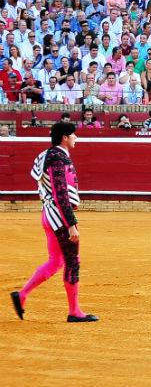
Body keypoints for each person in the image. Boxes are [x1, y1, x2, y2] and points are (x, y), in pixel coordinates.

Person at [11, 121, 98, 323]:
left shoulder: (47, 155)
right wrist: (71, 224)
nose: (76, 138)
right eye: (73, 135)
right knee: (72, 262)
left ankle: (22, 295)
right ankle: (74, 311)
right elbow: (61, 194)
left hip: (48, 214)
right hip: (59, 217)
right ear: (64, 138)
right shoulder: (58, 158)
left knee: (56, 261)